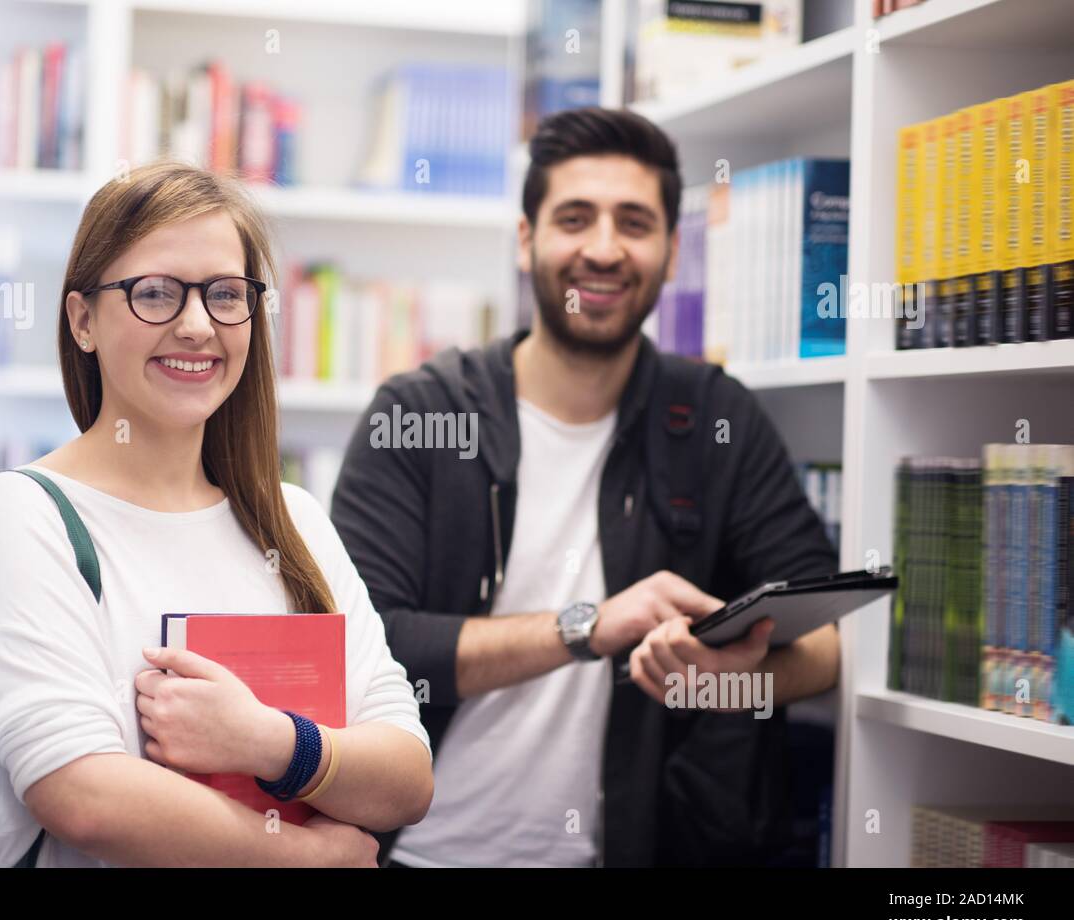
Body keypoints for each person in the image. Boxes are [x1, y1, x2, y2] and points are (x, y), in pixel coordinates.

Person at [330, 107, 841, 867]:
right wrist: (585, 625)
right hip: (412, 854)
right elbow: (365, 647)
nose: (604, 249)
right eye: (576, 218)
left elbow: (826, 645)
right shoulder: (423, 412)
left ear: (672, 252)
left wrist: (727, 681)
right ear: (527, 239)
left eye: (634, 222)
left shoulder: (714, 417)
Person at [0, 160, 432, 867]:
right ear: (82, 319)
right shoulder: (21, 513)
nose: (198, 325)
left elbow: (406, 776)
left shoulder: (292, 520)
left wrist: (270, 741)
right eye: (155, 293)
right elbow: (81, 793)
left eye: (225, 295)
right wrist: (304, 858)